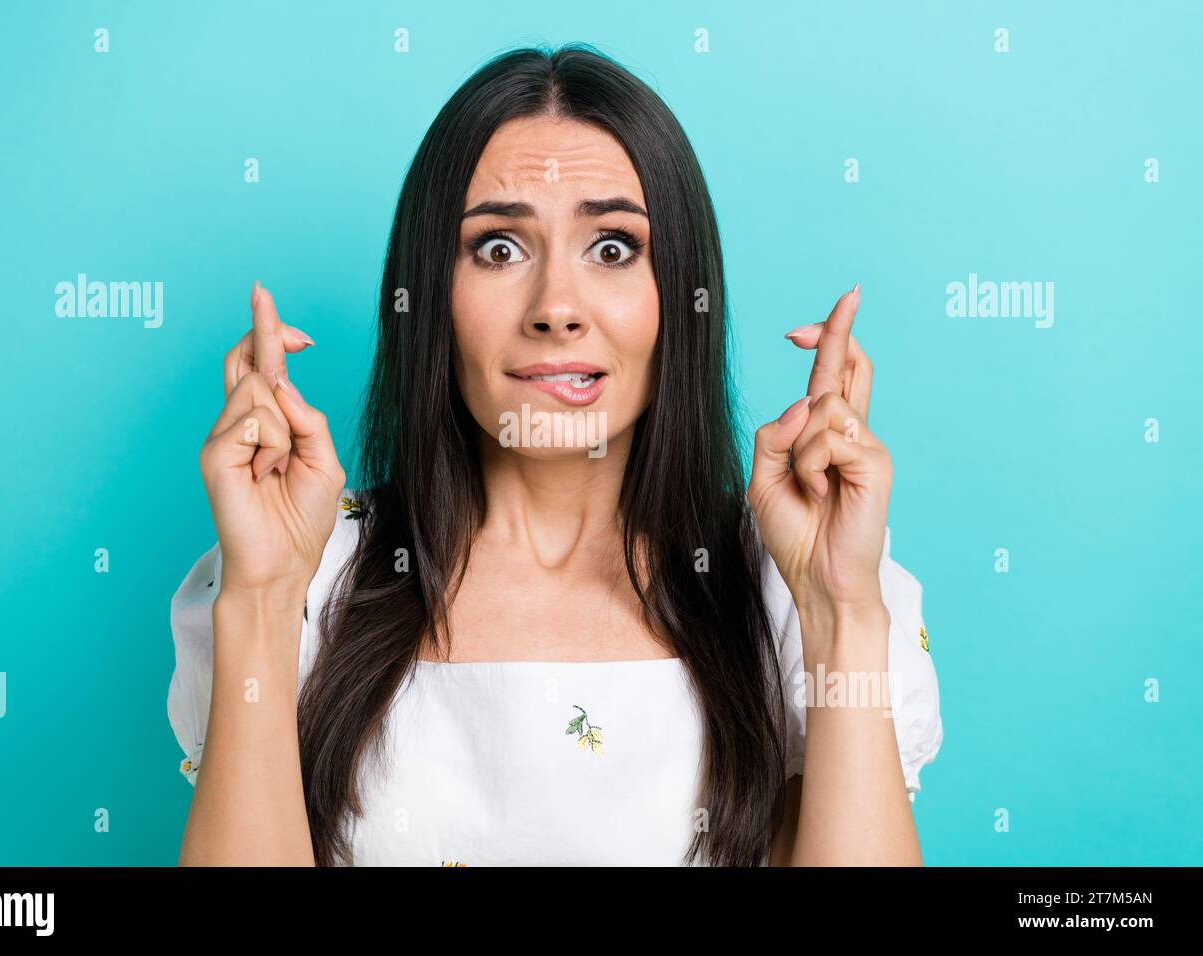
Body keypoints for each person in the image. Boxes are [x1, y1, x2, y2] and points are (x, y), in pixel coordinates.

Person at [168, 43, 942, 866]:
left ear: (680, 297)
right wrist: (259, 596)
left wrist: (838, 608)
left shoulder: (789, 588)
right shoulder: (307, 577)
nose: (557, 309)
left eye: (612, 247)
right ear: (430, 297)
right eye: (499, 248)